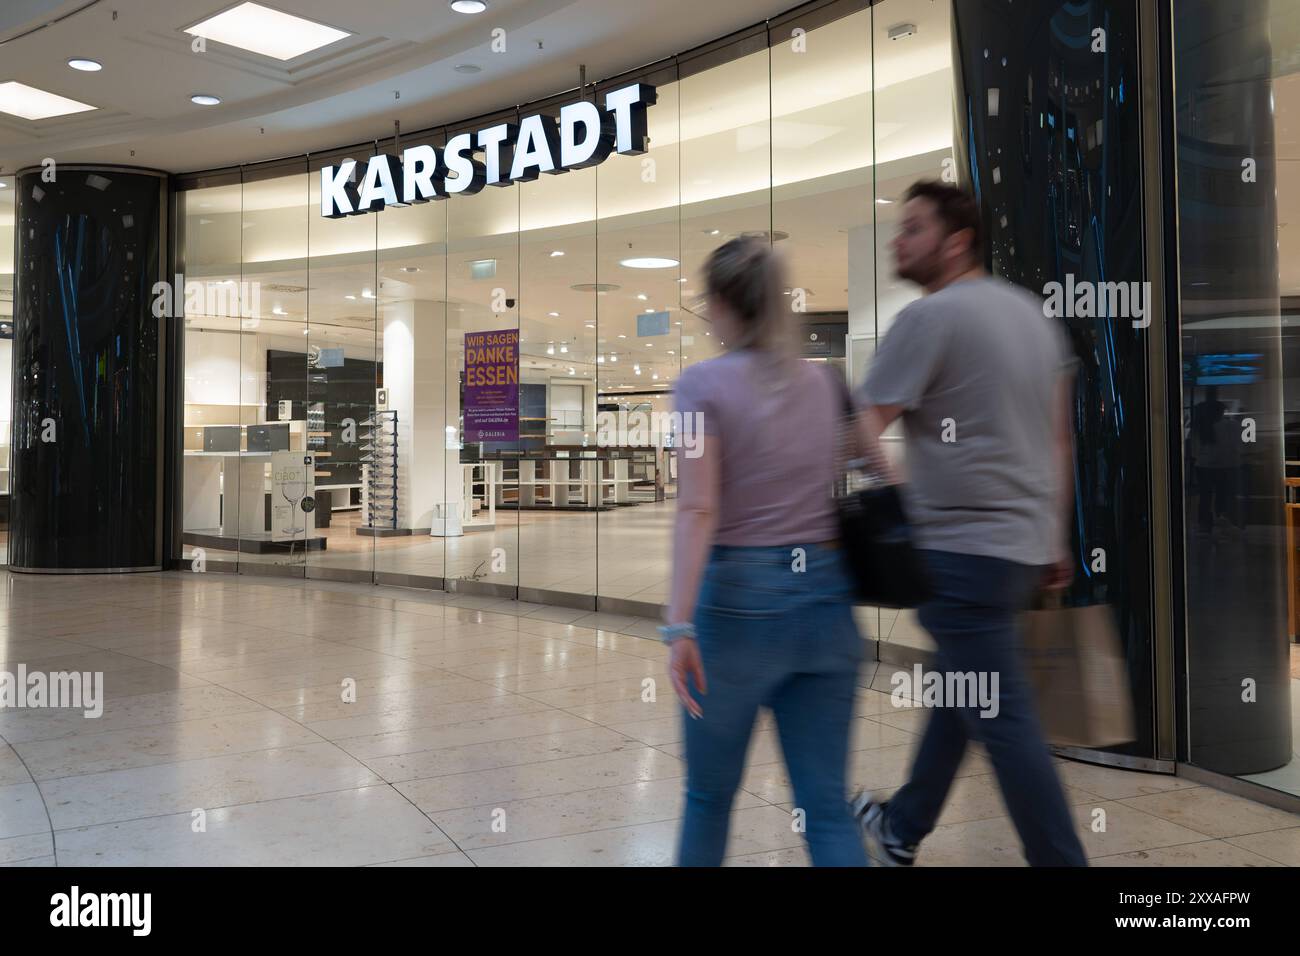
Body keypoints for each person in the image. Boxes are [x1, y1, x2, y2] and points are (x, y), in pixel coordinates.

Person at [850, 180, 1087, 867]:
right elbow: (1059, 442)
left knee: (1005, 721)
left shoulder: (930, 318)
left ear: (957, 242)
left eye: (914, 228)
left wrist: (893, 496)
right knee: (965, 691)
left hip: (957, 551)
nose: (899, 240)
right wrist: (1052, 536)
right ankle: (901, 825)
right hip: (1015, 552)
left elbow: (863, 427)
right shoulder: (1034, 318)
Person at [664, 236, 868, 867]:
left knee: (708, 798)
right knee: (827, 807)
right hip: (828, 601)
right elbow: (874, 467)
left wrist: (678, 625)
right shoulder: (824, 384)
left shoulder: (700, 385)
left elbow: (698, 508)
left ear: (724, 303)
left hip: (738, 605)